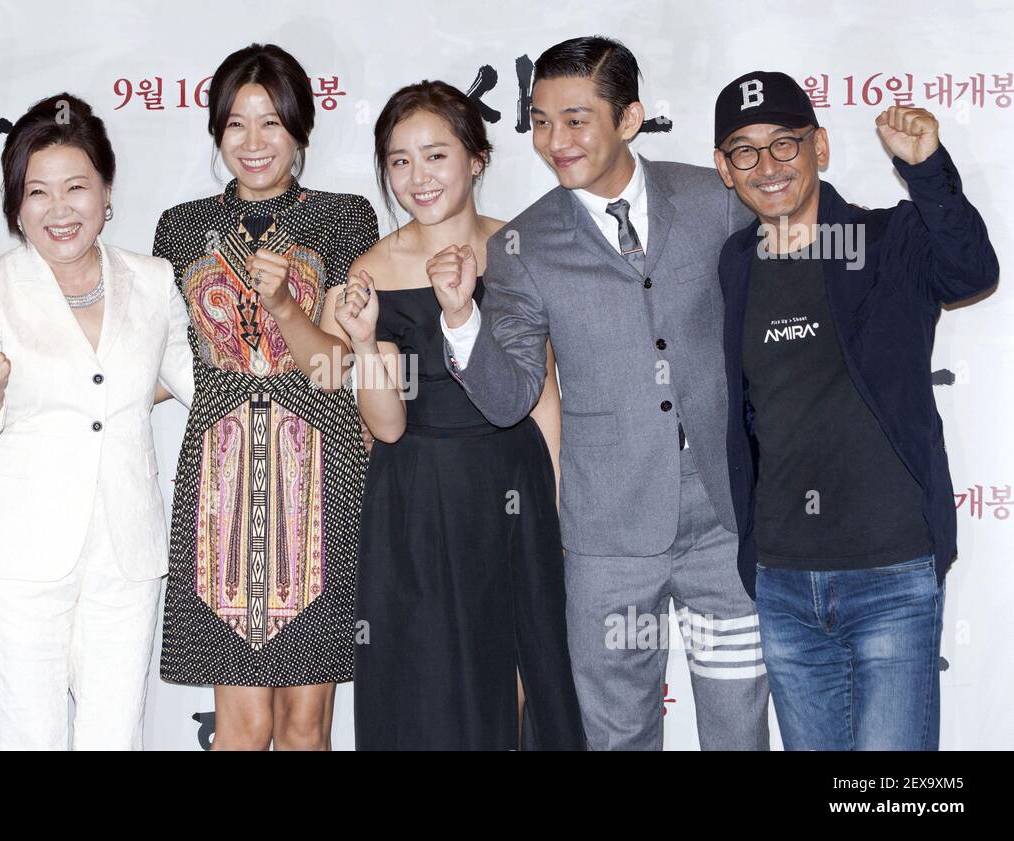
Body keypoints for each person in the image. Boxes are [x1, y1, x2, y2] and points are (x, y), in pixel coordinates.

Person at [435, 36, 770, 750]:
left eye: (576, 118)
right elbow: (507, 397)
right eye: (540, 121)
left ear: (630, 118)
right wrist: (462, 318)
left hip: (726, 523)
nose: (554, 140)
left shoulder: (717, 201)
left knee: (740, 730)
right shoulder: (523, 246)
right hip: (606, 538)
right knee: (616, 737)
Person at [711, 72, 999, 750]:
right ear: (725, 170)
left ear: (821, 148)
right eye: (745, 151)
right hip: (782, 583)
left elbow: (971, 272)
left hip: (890, 574)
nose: (768, 165)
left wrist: (925, 168)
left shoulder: (887, 238)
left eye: (785, 143)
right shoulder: (734, 263)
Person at [337, 80, 584, 750]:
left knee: (520, 682)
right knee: (426, 689)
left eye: (436, 155)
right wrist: (361, 342)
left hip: (512, 484)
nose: (418, 177)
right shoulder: (373, 267)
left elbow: (544, 395)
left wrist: (555, 517)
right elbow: (384, 426)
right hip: (415, 497)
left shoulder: (520, 247)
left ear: (476, 157)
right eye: (399, 160)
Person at [0, 93, 194, 749]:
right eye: (38, 192)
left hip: (126, 547)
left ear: (106, 191)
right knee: (29, 737)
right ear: (16, 204)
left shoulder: (151, 279)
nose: (59, 210)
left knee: (114, 736)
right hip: (18, 554)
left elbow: (199, 385)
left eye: (76, 187)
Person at [153, 43, 377, 750]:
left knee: (306, 729)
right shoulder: (179, 227)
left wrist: (284, 305)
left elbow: (336, 367)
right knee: (242, 727)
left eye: (271, 123)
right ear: (217, 131)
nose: (253, 143)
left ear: (300, 129)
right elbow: (156, 357)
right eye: (236, 125)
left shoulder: (345, 219)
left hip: (322, 479)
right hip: (219, 486)